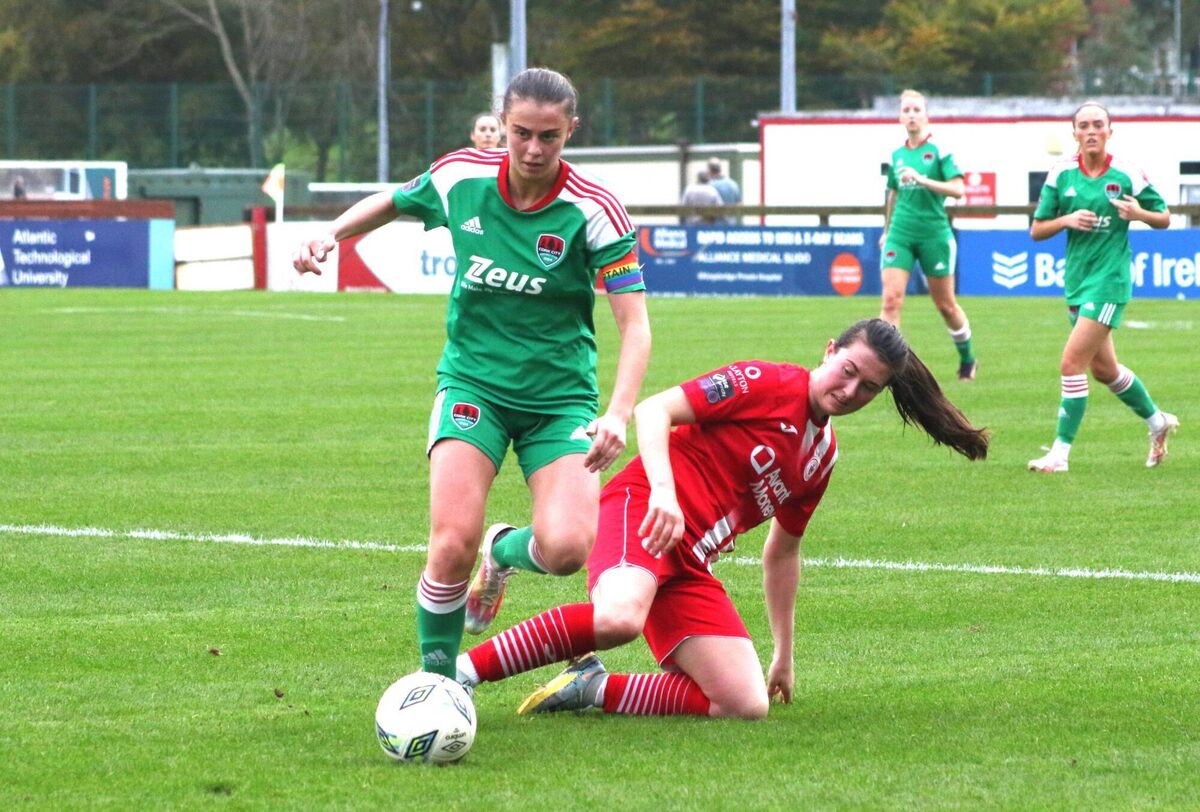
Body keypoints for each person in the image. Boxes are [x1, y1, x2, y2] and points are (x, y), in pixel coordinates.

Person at [294, 67, 652, 679]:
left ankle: (504, 551)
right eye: (521, 134)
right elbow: (394, 201)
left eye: (549, 137)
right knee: (450, 543)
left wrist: (617, 414)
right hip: (473, 388)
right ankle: (436, 684)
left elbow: (635, 325)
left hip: (559, 400)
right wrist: (331, 233)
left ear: (571, 131)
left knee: (567, 550)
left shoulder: (595, 211)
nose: (534, 150)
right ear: (503, 127)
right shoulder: (461, 174)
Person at [456, 319, 988, 718]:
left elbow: (783, 552)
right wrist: (664, 494)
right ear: (829, 351)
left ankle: (588, 687)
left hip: (689, 559)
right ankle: (459, 677)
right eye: (847, 371)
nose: (850, 392)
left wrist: (783, 652)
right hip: (641, 508)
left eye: (868, 388)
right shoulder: (765, 381)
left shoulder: (822, 457)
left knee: (743, 703)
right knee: (619, 619)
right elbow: (655, 410)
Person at [1027, 102, 1178, 473]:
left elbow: (1164, 217)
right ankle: (1157, 421)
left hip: (1109, 282)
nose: (1091, 131)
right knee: (1104, 370)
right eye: (1084, 125)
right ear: (1074, 133)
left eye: (1098, 124)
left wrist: (1138, 213)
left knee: (1071, 362)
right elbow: (1037, 229)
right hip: (1077, 282)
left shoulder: (1127, 173)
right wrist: (1067, 219)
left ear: (1110, 131)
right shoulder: (1060, 174)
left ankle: (1060, 454)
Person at [880, 89, 978, 381]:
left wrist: (922, 179)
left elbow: (958, 189)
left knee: (945, 305)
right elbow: (893, 193)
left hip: (934, 233)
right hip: (900, 233)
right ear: (900, 116)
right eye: (906, 110)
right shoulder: (897, 155)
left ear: (925, 116)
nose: (911, 115)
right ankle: (890, 368)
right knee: (891, 301)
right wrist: (886, 231)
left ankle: (967, 358)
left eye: (916, 110)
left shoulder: (939, 151)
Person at [706, 157, 741, 224]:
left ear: (709, 170)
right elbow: (739, 204)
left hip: (713, 228)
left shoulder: (709, 186)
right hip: (731, 226)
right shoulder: (733, 184)